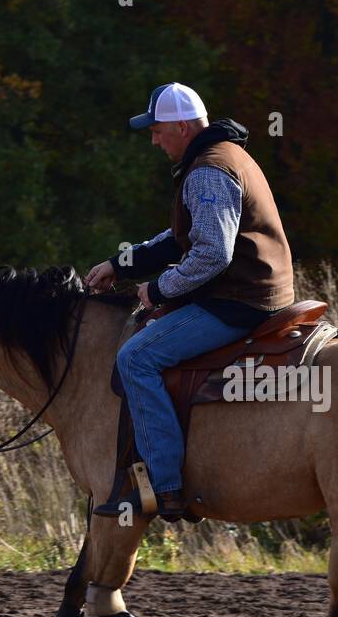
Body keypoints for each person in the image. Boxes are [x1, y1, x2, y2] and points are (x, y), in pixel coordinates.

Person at [86, 82, 295, 520]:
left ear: (182, 126)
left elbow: (212, 253)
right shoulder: (224, 155)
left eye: (158, 130)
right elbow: (183, 238)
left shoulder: (207, 170)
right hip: (256, 291)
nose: (154, 139)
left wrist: (158, 289)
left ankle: (164, 489)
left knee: (136, 358)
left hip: (241, 301)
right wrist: (122, 264)